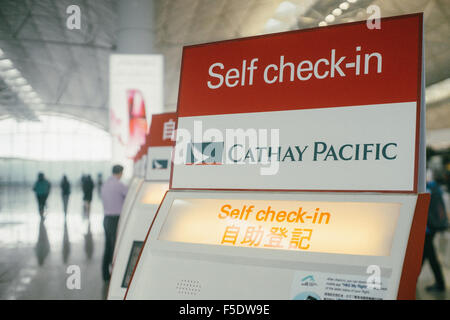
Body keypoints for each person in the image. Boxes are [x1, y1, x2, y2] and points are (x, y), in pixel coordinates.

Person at [100, 165, 128, 282]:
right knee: (114, 248)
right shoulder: (119, 185)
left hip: (106, 219)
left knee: (107, 247)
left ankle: (105, 274)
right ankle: (114, 276)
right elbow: (129, 196)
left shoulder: (105, 184)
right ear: (120, 172)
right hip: (115, 219)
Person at [422, 169, 447, 292]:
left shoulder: (428, 189)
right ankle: (439, 283)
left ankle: (440, 284)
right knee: (426, 255)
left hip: (428, 228)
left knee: (429, 255)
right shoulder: (434, 188)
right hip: (430, 227)